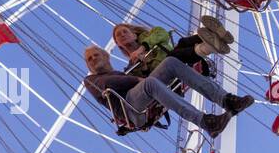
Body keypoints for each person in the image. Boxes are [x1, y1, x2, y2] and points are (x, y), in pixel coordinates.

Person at [82, 44, 253, 138]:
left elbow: (121, 79)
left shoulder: (119, 72)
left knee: (170, 62)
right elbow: (107, 84)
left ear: (106, 55)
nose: (93, 59)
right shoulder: (90, 80)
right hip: (129, 110)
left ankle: (227, 100)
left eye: (96, 55)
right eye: (89, 59)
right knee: (150, 83)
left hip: (137, 97)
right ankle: (206, 122)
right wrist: (137, 79)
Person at [112, 15, 231, 77]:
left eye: (125, 31)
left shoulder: (150, 36)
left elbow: (162, 33)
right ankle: (210, 44)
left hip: (179, 58)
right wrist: (143, 66)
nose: (123, 35)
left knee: (182, 43)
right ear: (118, 44)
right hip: (167, 74)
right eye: (119, 35)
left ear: (134, 34)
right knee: (171, 58)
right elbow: (144, 79)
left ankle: (215, 36)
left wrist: (142, 48)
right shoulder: (132, 66)